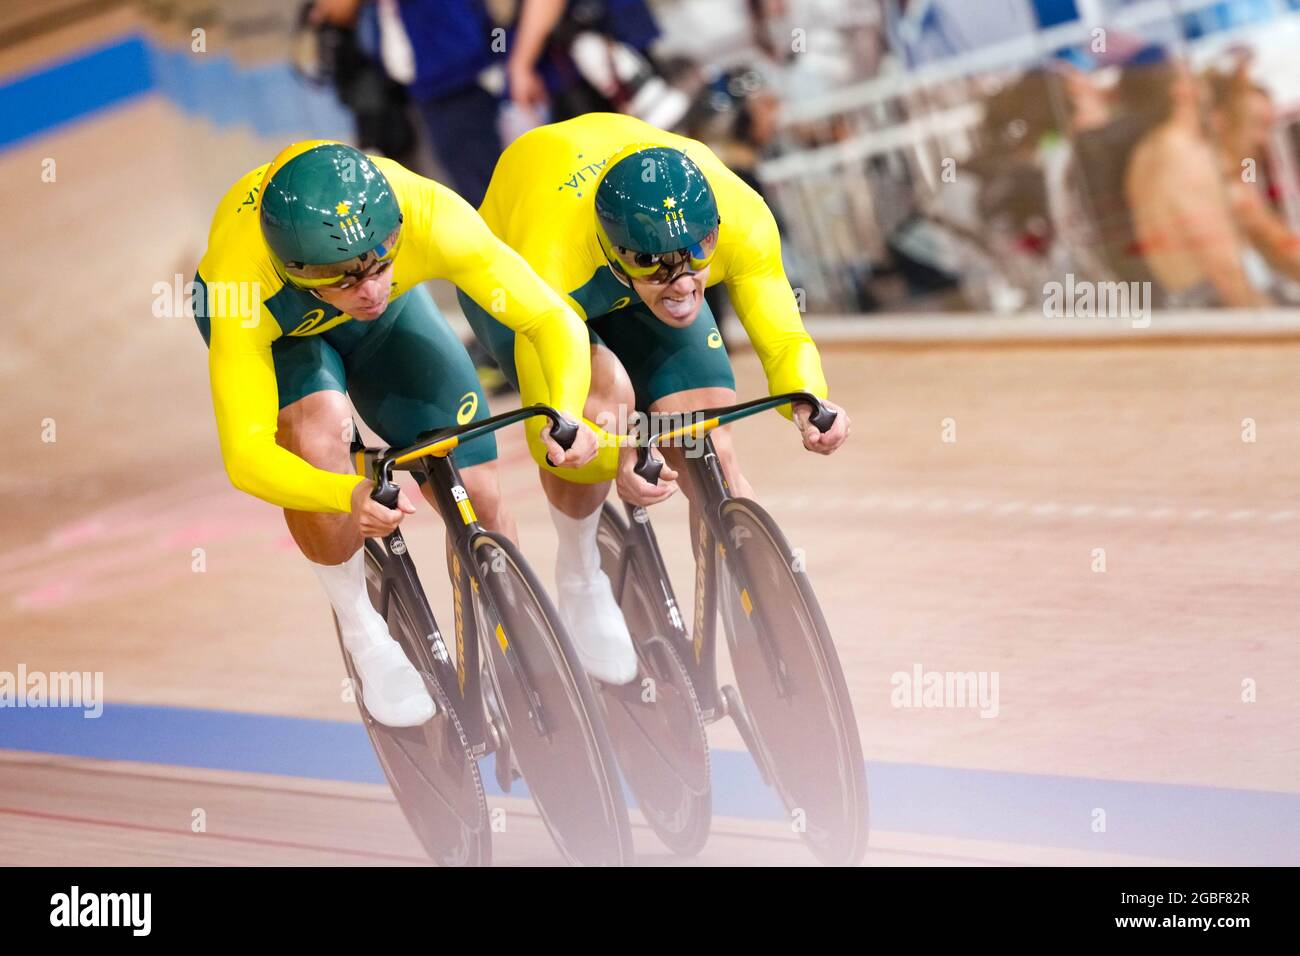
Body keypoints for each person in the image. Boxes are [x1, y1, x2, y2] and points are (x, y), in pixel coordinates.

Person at [193, 140, 598, 727]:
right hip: (286, 340)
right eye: (344, 280)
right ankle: (364, 632)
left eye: (381, 264)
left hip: (386, 332)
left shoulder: (428, 213)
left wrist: (566, 408)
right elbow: (246, 455)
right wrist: (346, 495)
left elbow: (549, 316)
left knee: (477, 493)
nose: (370, 290)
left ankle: (512, 628)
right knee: (318, 440)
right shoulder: (240, 281)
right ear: (294, 270)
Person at [458, 113, 851, 685]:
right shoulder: (551, 258)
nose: (684, 281)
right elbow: (556, 417)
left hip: (614, 257)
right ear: (614, 250)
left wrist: (810, 400)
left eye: (698, 255)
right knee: (603, 394)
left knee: (709, 426)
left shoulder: (736, 212)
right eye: (655, 266)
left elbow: (785, 335)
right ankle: (580, 569)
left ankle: (751, 606)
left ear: (712, 228)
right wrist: (613, 452)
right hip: (526, 271)